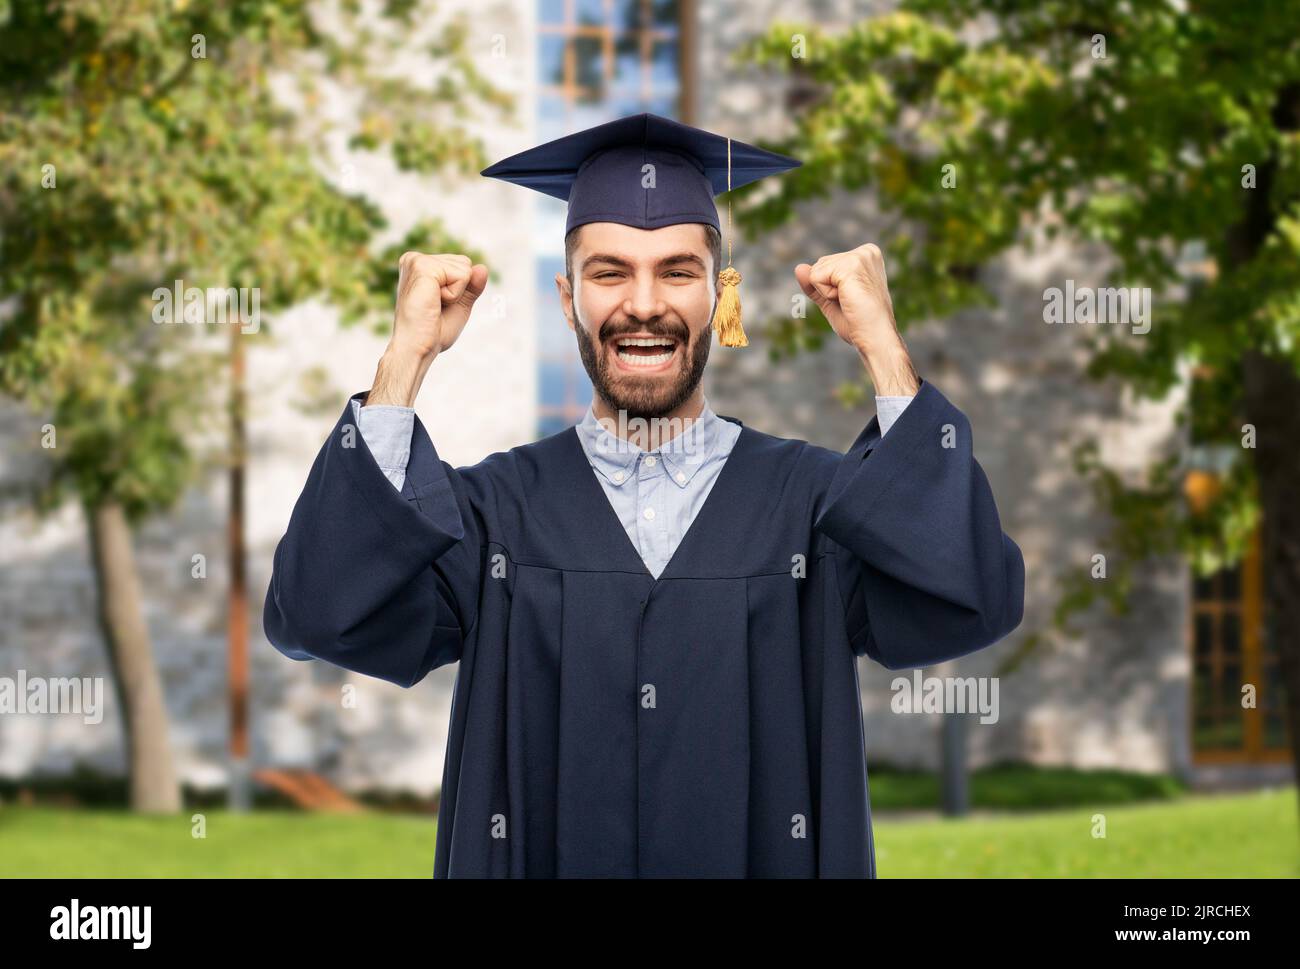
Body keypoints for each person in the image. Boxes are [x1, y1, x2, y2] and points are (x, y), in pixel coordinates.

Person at [263, 113, 1025, 878]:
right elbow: (318, 612)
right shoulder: (491, 517)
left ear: (720, 293)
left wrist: (885, 352)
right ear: (569, 299)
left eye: (678, 270)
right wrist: (404, 361)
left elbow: (971, 597)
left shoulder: (819, 510)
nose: (644, 303)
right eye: (610, 272)